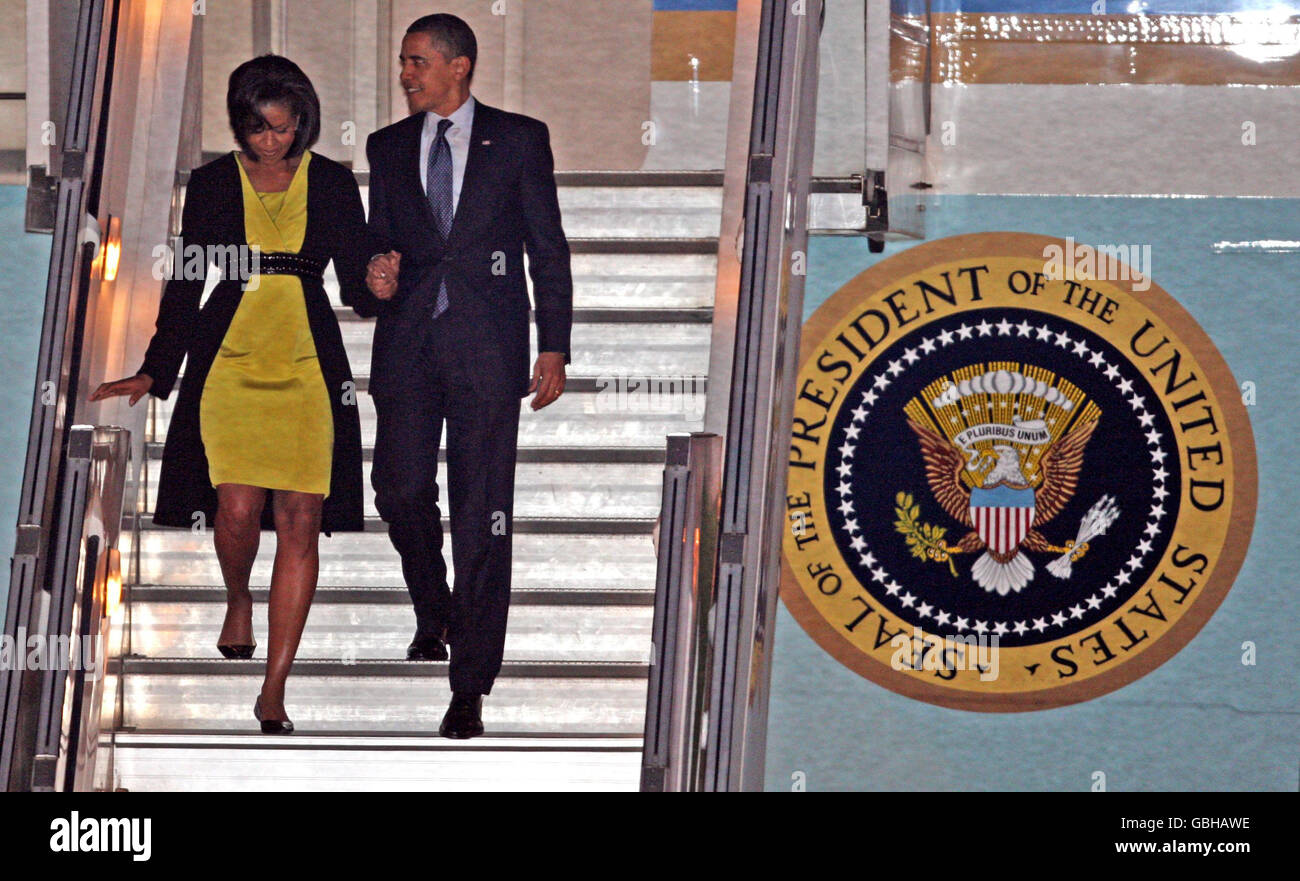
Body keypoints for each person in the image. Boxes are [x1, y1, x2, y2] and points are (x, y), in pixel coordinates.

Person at [90, 55, 369, 734]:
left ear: (304, 119)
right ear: (239, 125)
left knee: (302, 515)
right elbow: (187, 280)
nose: (272, 141)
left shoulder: (332, 183)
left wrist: (380, 283)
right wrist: (156, 369)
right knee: (238, 508)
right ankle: (239, 596)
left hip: (307, 359)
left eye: (284, 127)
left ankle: (275, 686)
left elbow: (358, 285)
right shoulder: (215, 183)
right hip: (231, 358)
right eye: (259, 129)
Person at [359, 13, 573, 739]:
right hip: (407, 350)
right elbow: (378, 249)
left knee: (483, 515)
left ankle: (470, 684)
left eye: (418, 62)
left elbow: (548, 246)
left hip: (489, 352)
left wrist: (555, 344)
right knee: (398, 488)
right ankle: (436, 606)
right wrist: (375, 276)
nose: (407, 74)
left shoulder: (518, 139)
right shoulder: (386, 148)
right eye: (403, 62)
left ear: (460, 67)